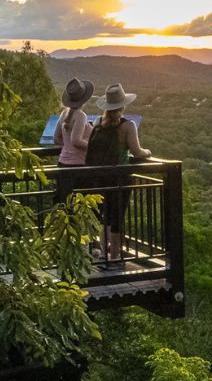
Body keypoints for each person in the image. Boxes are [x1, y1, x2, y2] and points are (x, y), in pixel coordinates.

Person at [85, 83, 151, 265]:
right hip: (120, 177)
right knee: (117, 217)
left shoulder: (97, 123)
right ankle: (114, 257)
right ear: (123, 106)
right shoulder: (128, 126)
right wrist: (147, 152)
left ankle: (102, 252)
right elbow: (137, 152)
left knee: (103, 215)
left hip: (99, 177)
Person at [55, 77, 94, 166]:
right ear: (84, 100)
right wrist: (94, 147)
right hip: (77, 165)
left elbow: (56, 138)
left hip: (62, 162)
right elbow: (76, 141)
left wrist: (68, 149)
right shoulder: (81, 115)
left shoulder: (63, 113)